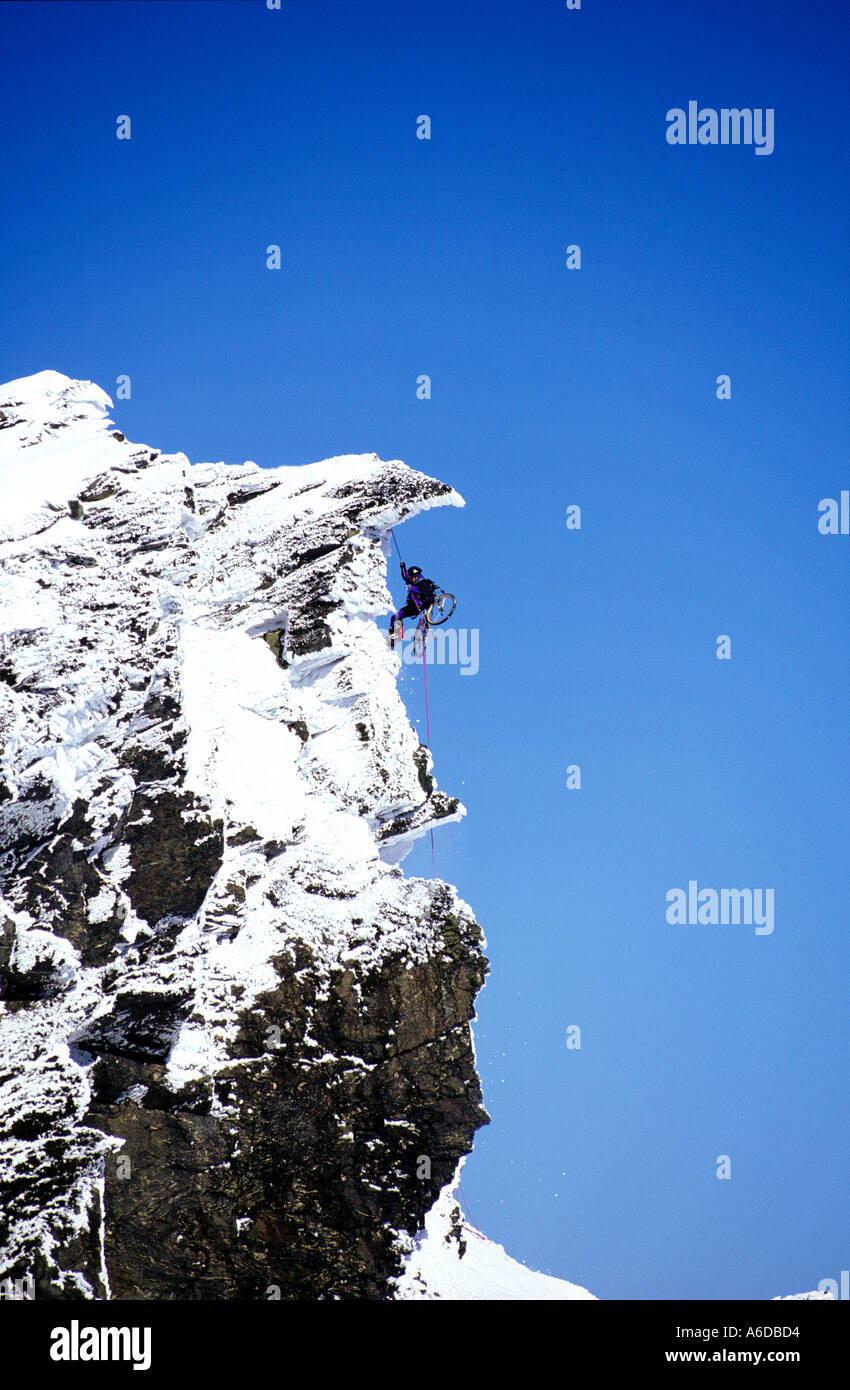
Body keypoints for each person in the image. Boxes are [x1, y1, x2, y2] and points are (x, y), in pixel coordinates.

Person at [389, 563, 438, 644]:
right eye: (410, 577)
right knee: (395, 617)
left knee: (398, 615)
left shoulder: (423, 583)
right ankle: (394, 637)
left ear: (416, 576)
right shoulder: (413, 580)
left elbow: (430, 598)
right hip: (411, 605)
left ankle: (395, 638)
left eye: (412, 577)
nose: (410, 579)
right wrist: (403, 567)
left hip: (417, 606)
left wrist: (422, 606)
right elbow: (405, 577)